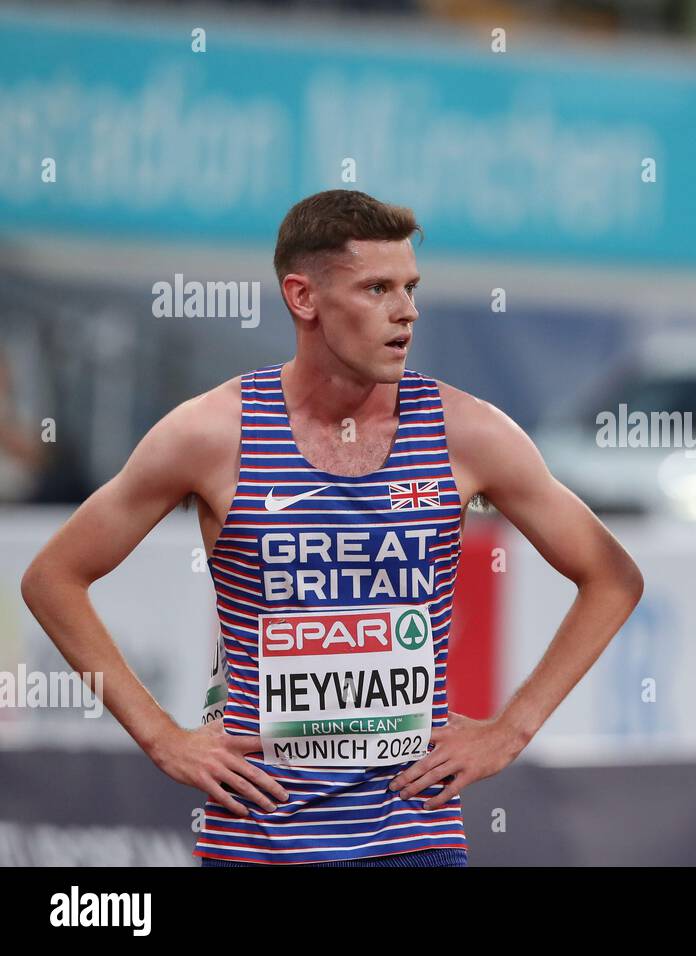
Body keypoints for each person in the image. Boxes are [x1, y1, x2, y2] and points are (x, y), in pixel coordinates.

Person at [20, 189, 644, 866]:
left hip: (414, 837)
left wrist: (511, 730)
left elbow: (612, 577)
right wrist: (163, 738)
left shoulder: (468, 432)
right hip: (257, 837)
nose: (406, 312)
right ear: (303, 297)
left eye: (411, 287)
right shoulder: (210, 433)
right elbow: (53, 578)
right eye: (377, 288)